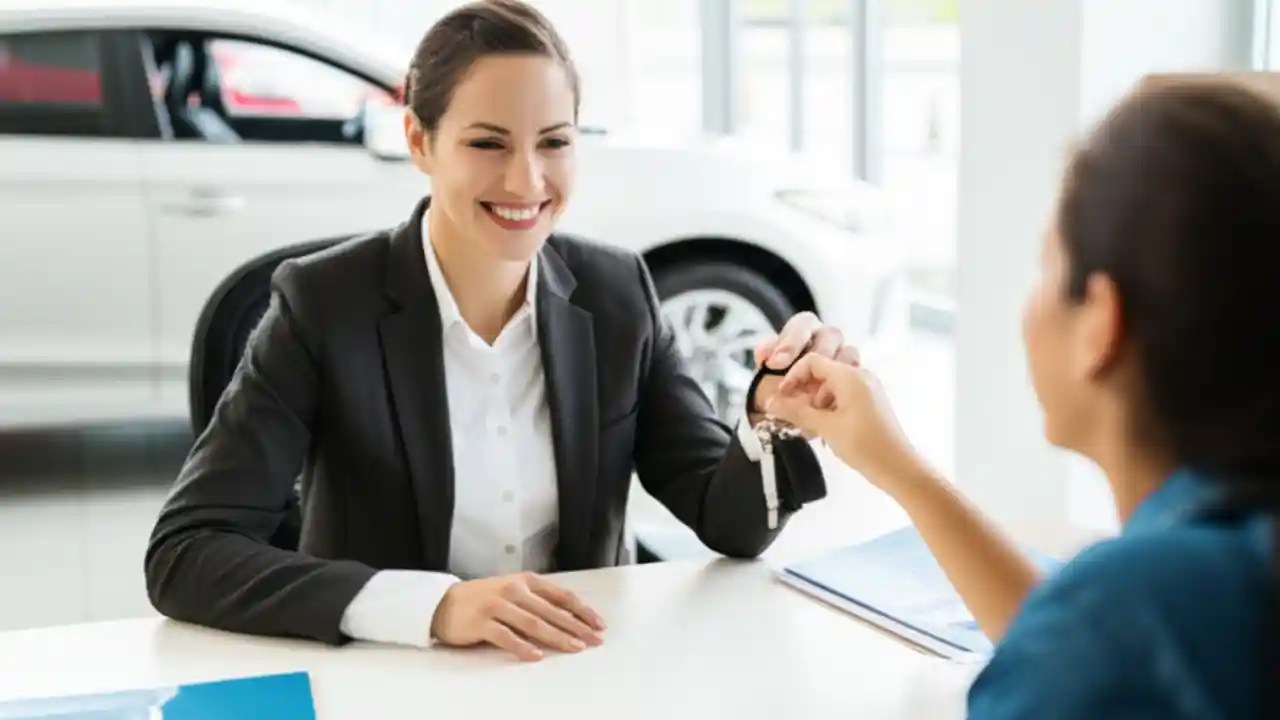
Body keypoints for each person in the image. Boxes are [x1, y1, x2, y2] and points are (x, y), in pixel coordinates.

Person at [145, 0, 851, 662]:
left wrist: (767, 424)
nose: (526, 180)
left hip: (574, 671)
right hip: (395, 676)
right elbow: (187, 551)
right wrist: (433, 608)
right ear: (419, 141)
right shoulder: (324, 303)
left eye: (554, 142)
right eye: (488, 143)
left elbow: (727, 524)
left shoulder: (617, 295)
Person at [768, 79, 1280, 718]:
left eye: (1047, 267)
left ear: (1101, 319)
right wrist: (899, 468)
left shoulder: (1125, 618)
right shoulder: (1200, 583)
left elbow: (1096, 645)